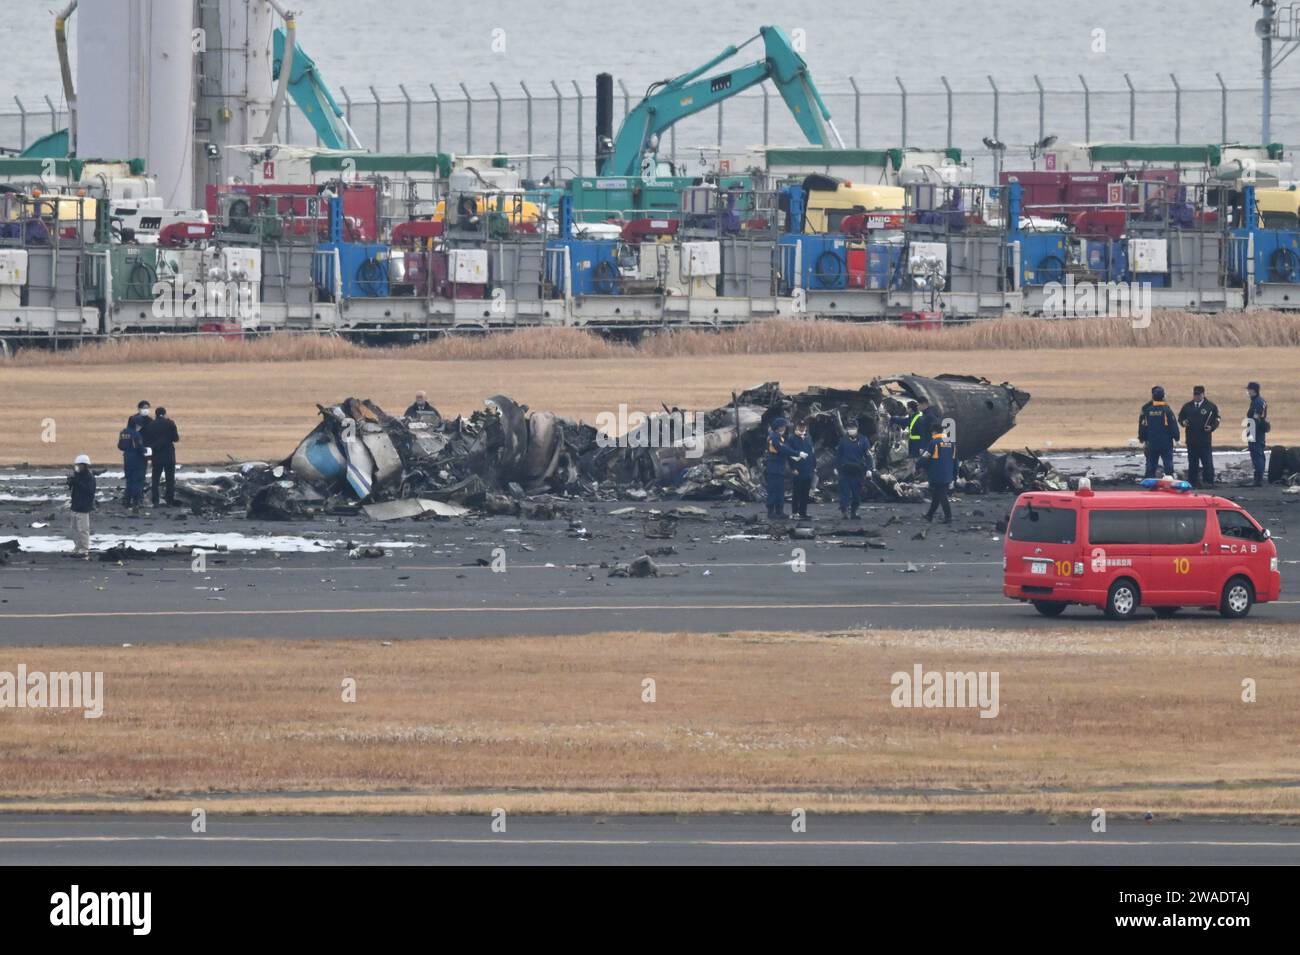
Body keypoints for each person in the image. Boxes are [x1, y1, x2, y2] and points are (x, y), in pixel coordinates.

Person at [1178, 385, 1220, 488]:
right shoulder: (1187, 406)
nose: (1196, 397)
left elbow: (1217, 419)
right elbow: (1180, 418)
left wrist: (1212, 427)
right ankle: (1192, 481)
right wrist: (1183, 422)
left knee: (1207, 462)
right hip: (1191, 439)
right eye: (1195, 394)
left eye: (1198, 395)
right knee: (1192, 462)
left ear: (1203, 394)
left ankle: (1208, 481)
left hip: (1204, 440)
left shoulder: (1210, 406)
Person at [1138, 385, 1180, 479]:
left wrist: (1142, 438)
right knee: (1168, 463)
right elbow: (1173, 424)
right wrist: (1177, 437)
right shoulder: (1167, 410)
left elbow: (1143, 425)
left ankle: (1150, 480)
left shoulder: (1148, 410)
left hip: (1152, 442)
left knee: (1151, 463)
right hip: (1166, 443)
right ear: (1163, 396)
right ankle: (1169, 479)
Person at [764, 417, 801, 519]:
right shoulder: (774, 438)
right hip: (774, 468)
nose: (785, 428)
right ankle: (772, 512)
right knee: (774, 490)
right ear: (779, 427)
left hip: (779, 468)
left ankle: (779, 511)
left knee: (780, 491)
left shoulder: (780, 438)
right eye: (783, 426)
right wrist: (797, 453)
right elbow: (783, 449)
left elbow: (786, 449)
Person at [835, 423, 874, 520]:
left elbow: (868, 456)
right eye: (849, 428)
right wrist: (836, 467)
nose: (851, 430)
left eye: (853, 428)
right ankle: (844, 511)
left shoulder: (863, 440)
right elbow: (838, 455)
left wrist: (869, 469)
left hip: (858, 471)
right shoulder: (843, 440)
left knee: (856, 494)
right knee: (845, 492)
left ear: (857, 428)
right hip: (845, 470)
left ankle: (853, 512)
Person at [919, 427, 956, 524]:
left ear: (934, 432)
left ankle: (948, 517)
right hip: (947, 473)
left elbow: (925, 457)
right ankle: (929, 515)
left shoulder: (934, 443)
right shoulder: (951, 443)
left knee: (941, 494)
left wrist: (918, 465)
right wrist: (954, 475)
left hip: (936, 473)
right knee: (937, 495)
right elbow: (955, 460)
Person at [148, 406, 181, 506]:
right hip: (169, 455)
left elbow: (148, 441)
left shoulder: (151, 425)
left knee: (155, 480)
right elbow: (176, 439)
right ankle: (169, 501)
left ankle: (155, 501)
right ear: (165, 413)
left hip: (157, 455)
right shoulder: (170, 423)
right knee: (170, 480)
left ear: (156, 414)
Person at [66, 453, 96, 559]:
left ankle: (84, 549)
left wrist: (77, 483)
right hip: (75, 505)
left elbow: (90, 491)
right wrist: (71, 482)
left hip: (83, 507)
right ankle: (77, 547)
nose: (77, 467)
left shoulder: (89, 477)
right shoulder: (77, 476)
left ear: (84, 465)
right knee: (74, 528)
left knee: (83, 529)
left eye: (79, 465)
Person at [786, 420, 816, 519]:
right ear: (796, 427)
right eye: (800, 426)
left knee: (805, 492)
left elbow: (812, 453)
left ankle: (803, 512)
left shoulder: (808, 438)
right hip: (798, 469)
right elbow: (789, 454)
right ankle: (795, 512)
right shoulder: (792, 439)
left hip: (808, 469)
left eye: (803, 426)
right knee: (797, 492)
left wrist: (814, 466)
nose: (802, 428)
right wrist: (793, 468)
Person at [118, 415, 148, 511]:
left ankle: (126, 501)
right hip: (137, 460)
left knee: (129, 480)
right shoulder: (136, 434)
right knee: (138, 481)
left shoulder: (123, 432)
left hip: (127, 458)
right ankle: (136, 502)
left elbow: (120, 446)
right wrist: (145, 451)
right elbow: (139, 447)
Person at [1246, 381, 1269, 487]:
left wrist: (1251, 432)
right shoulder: (1259, 401)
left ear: (1253, 390)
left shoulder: (1257, 402)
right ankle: (1258, 478)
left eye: (1249, 390)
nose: (1248, 392)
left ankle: (1258, 479)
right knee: (1258, 453)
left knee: (1256, 454)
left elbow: (1256, 418)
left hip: (1255, 431)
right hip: (1257, 430)